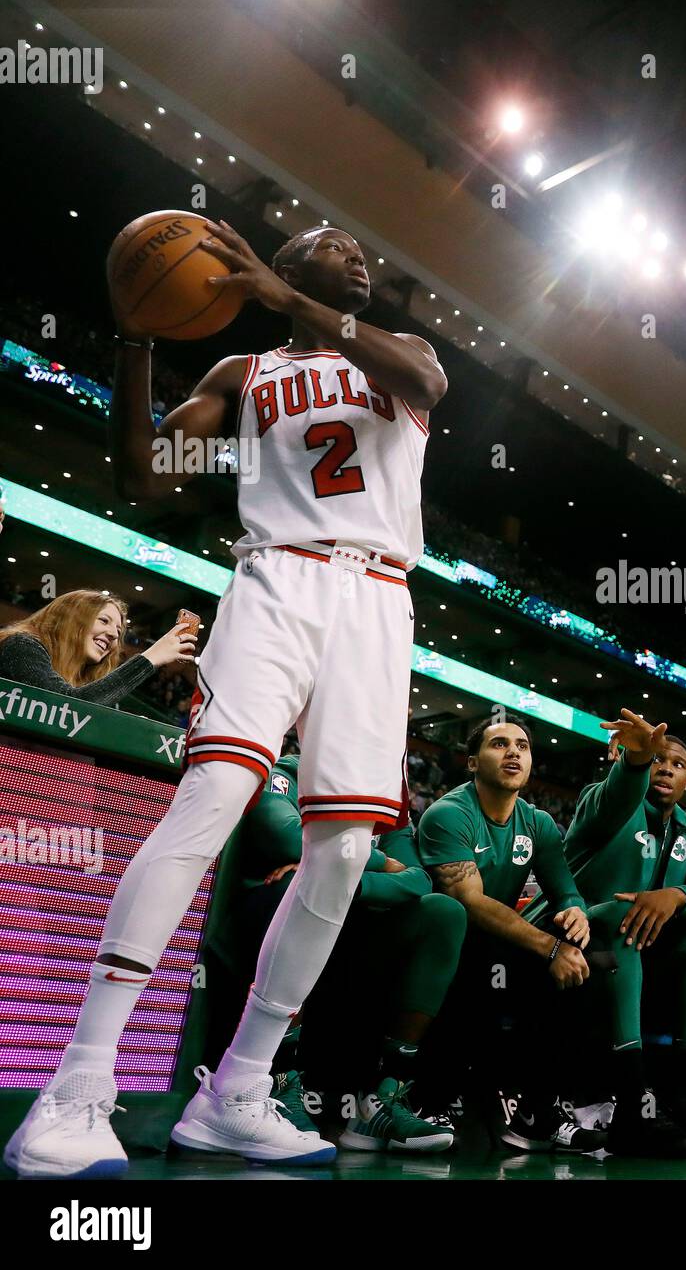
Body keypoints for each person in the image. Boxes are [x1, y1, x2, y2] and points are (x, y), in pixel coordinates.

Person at [5, 220, 447, 1179]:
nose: (361, 252)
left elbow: (430, 387)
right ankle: (77, 1086)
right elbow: (143, 476)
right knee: (211, 799)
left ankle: (236, 1089)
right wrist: (133, 341)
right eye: (335, 244)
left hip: (379, 601)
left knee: (344, 851)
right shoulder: (241, 374)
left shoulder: (403, 354)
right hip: (276, 581)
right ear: (275, 268)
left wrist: (300, 306)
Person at [203, 751, 462, 1153]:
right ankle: (279, 1083)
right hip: (266, 928)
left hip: (352, 929)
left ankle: (381, 1098)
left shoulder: (388, 800)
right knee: (296, 890)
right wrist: (377, 863)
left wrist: (342, 881)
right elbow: (283, 834)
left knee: (444, 912)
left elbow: (418, 880)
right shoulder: (291, 770)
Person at [400, 714, 616, 1153]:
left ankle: (537, 1114)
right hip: (438, 945)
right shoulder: (449, 814)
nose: (514, 752)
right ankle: (429, 1099)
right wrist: (550, 946)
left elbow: (564, 889)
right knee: (481, 954)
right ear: (473, 762)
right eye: (499, 744)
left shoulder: (537, 823)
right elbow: (470, 901)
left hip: (499, 947)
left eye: (522, 745)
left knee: (595, 964)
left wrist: (575, 915)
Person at [532, 727, 686, 1156]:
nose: (665, 769)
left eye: (677, 764)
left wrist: (676, 895)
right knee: (622, 912)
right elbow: (619, 792)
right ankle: (633, 1105)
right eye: (657, 760)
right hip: (568, 939)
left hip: (635, 956)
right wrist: (634, 761)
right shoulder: (606, 802)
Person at [0, 590, 194, 706]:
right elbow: (64, 707)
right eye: (103, 620)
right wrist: (149, 658)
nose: (114, 634)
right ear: (71, 619)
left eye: (118, 630)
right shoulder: (22, 646)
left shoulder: (87, 680)